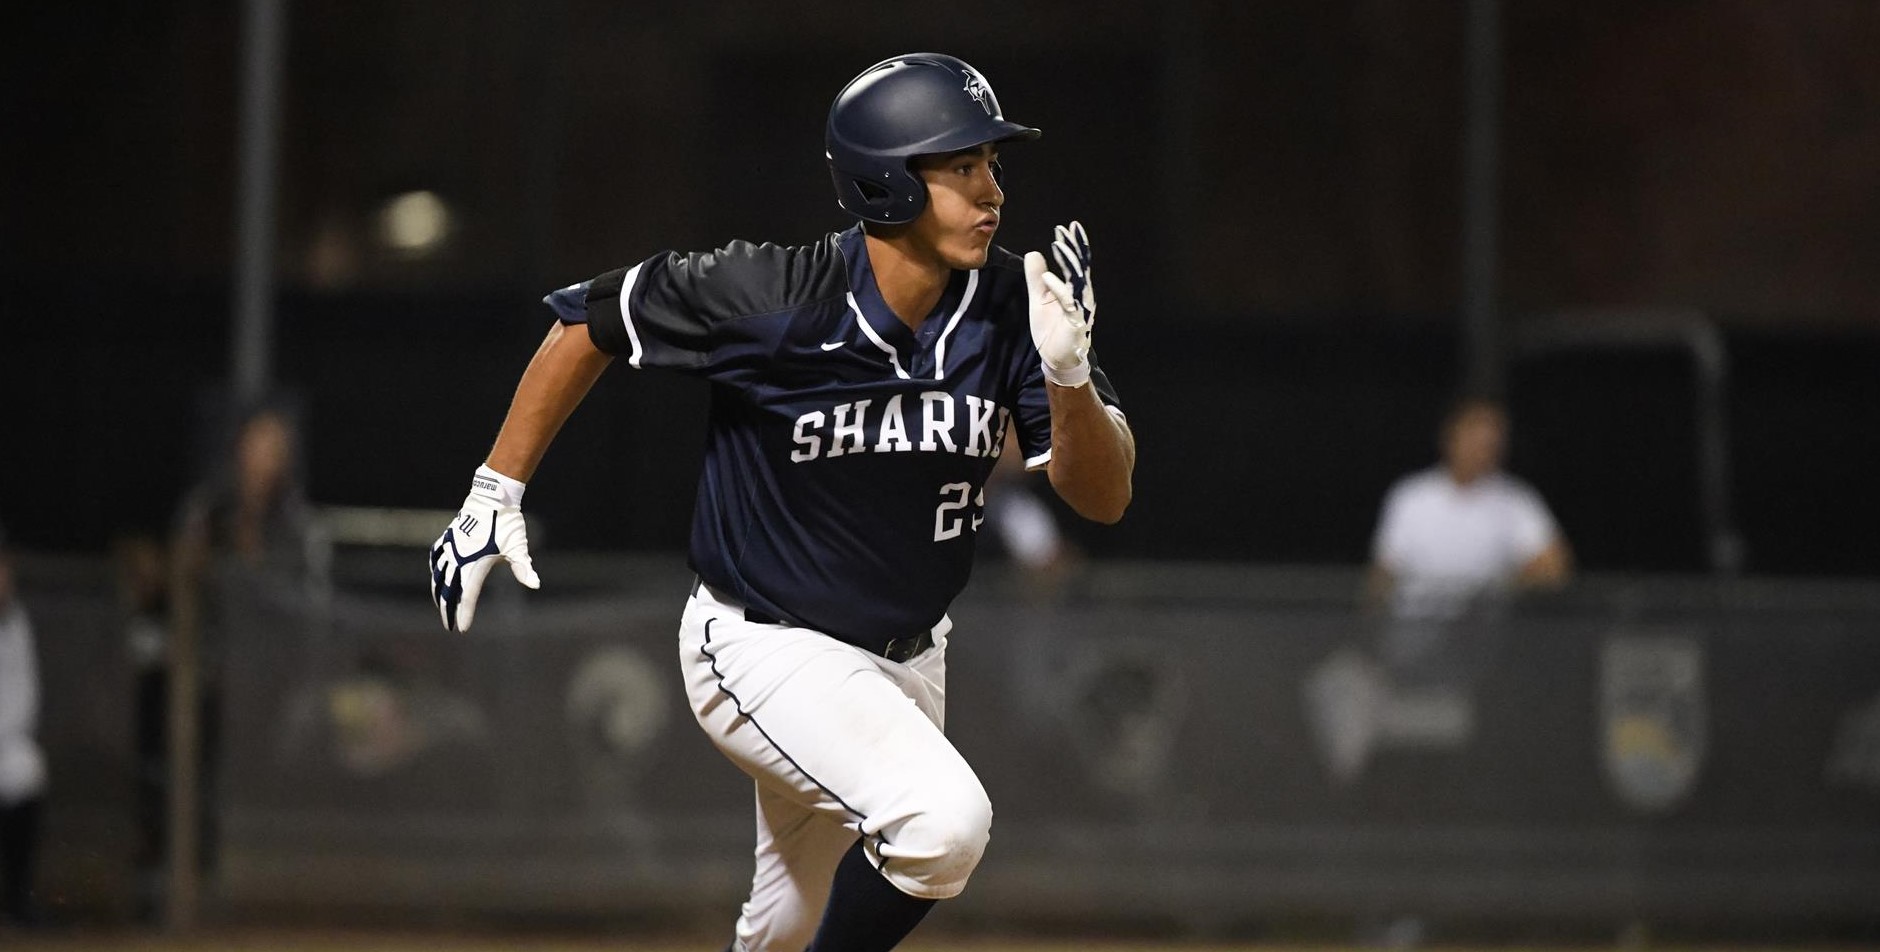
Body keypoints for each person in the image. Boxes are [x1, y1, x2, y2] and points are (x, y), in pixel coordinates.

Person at [428, 53, 1135, 952]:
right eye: (962, 166)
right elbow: (591, 320)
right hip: (762, 644)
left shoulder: (1010, 310)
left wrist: (1069, 374)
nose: (992, 188)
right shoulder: (773, 294)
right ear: (885, 181)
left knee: (789, 927)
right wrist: (496, 488)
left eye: (992, 163)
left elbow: (1102, 496)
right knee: (942, 825)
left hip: (909, 662)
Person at [0, 522, 46, 928]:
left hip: (5, 742)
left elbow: (26, 696)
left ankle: (17, 899)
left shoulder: (16, 621)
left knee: (27, 768)